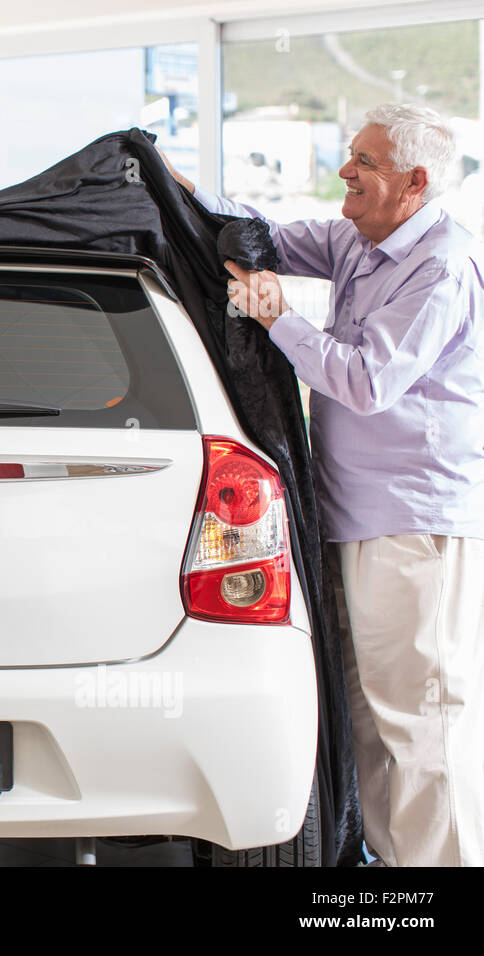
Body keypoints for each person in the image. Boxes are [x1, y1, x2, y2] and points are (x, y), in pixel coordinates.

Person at [167, 103, 483, 866]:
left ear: (414, 182)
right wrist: (168, 181)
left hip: (411, 522)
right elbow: (260, 231)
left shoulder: (440, 265)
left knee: (419, 719)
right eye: (350, 155)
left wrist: (280, 319)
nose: (346, 171)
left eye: (365, 163)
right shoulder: (359, 240)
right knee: (369, 716)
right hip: (353, 517)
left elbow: (369, 380)